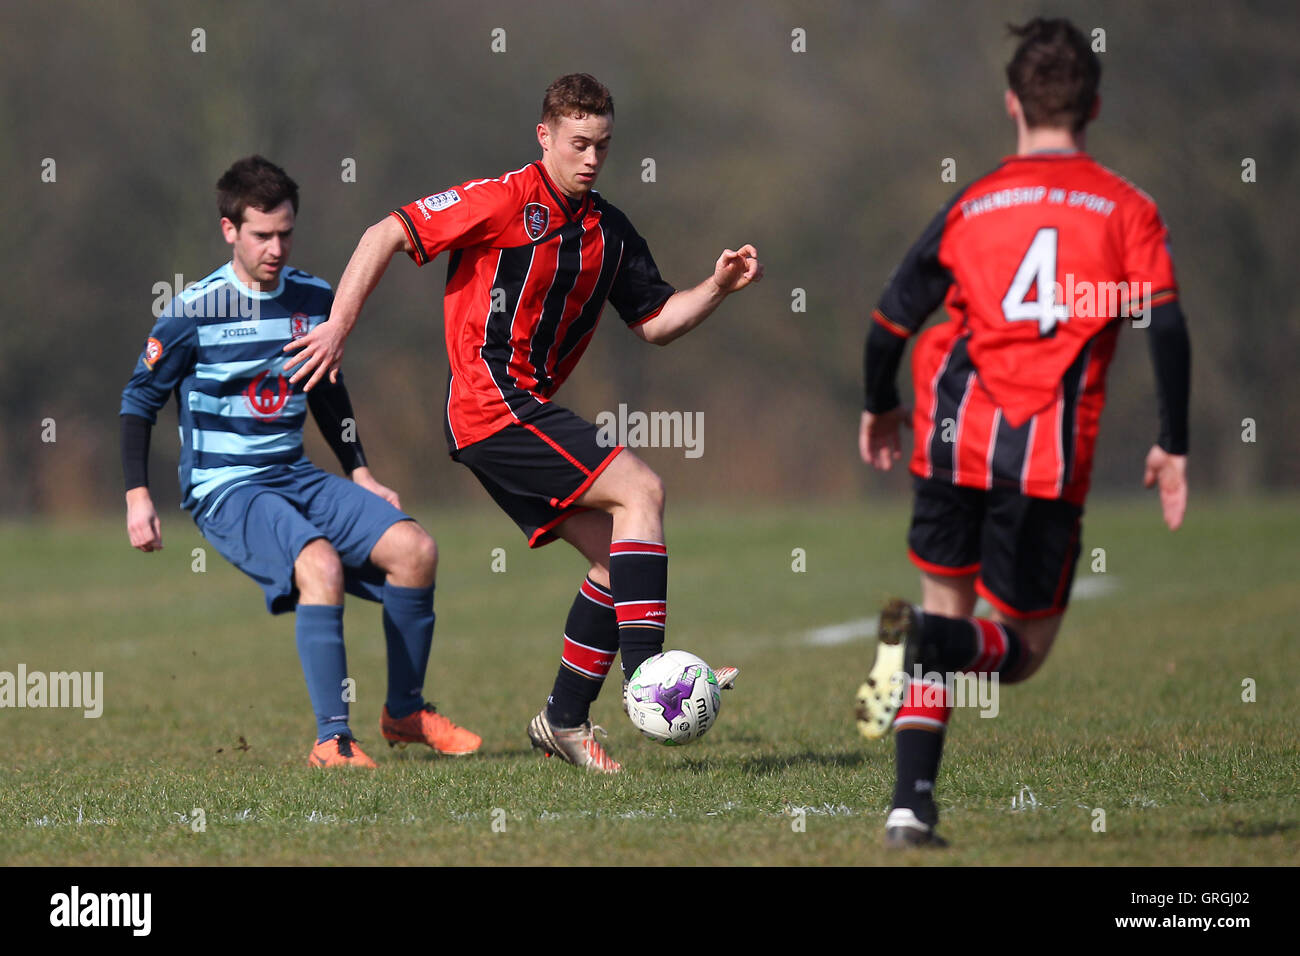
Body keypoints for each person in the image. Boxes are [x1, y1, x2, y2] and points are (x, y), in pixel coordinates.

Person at [283, 74, 763, 773]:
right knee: (643, 491)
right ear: (545, 138)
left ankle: (563, 722)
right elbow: (385, 232)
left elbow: (658, 323)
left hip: (519, 411)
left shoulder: (610, 231)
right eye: (578, 143)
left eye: (602, 144)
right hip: (489, 403)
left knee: (613, 557)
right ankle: (650, 677)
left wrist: (717, 287)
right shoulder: (502, 199)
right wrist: (336, 328)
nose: (591, 158)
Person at [856, 18, 1190, 845]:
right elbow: (1168, 328)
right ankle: (922, 678)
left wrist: (879, 403)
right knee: (1020, 653)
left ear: (1013, 103)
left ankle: (909, 806)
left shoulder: (973, 202)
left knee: (946, 617)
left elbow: (890, 321)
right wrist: (1173, 440)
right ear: (1095, 107)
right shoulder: (1127, 208)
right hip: (1043, 455)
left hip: (947, 432)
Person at [120, 155, 481, 768]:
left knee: (415, 550)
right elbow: (138, 401)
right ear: (229, 230)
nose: (276, 247)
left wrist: (360, 470)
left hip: (294, 473)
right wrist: (136, 494)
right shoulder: (192, 312)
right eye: (262, 234)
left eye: (286, 232)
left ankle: (405, 711)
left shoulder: (314, 297)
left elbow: (327, 387)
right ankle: (332, 741)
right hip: (227, 487)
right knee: (319, 564)